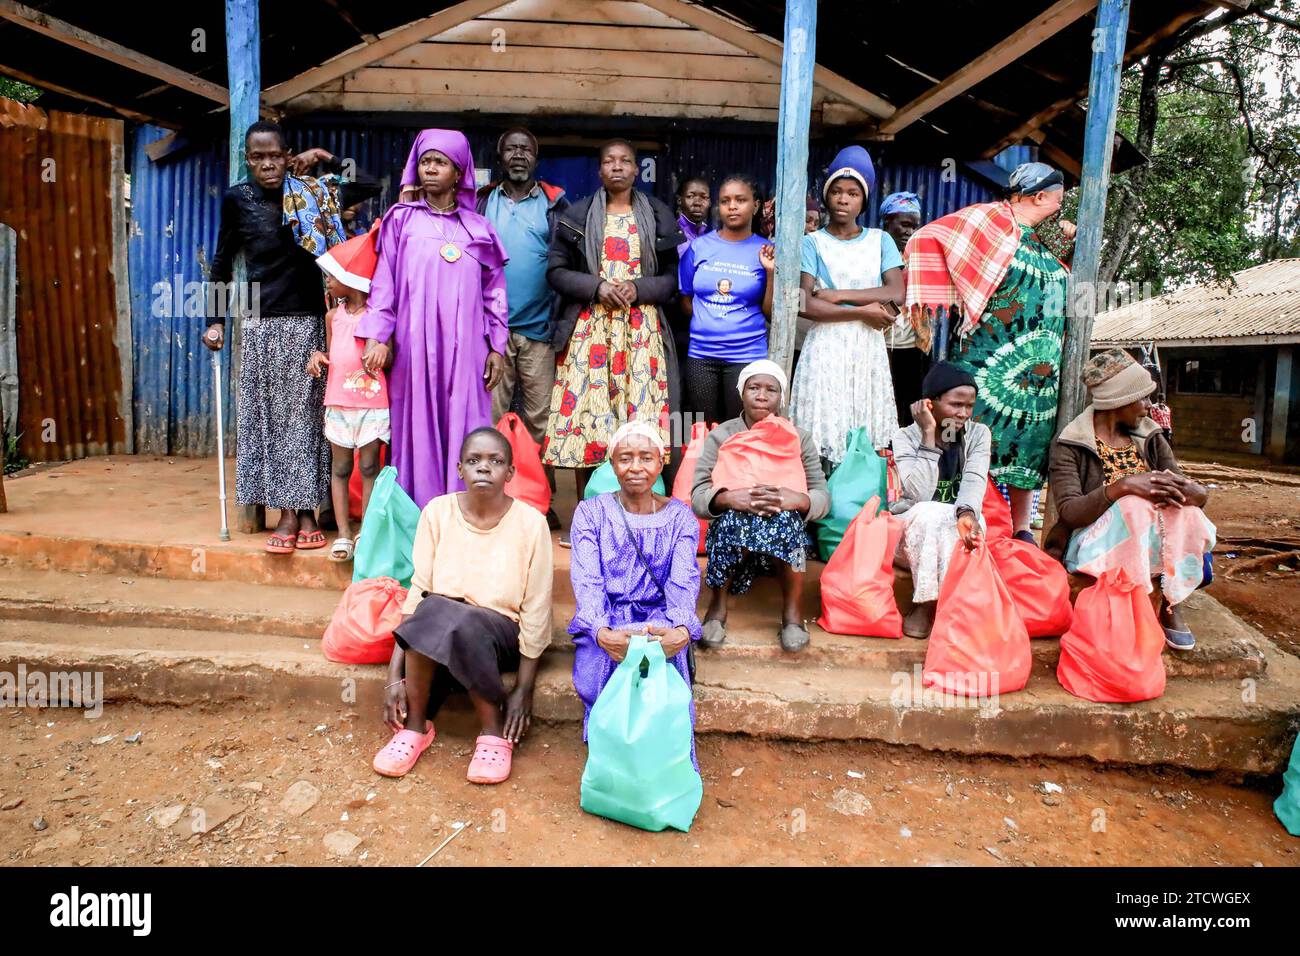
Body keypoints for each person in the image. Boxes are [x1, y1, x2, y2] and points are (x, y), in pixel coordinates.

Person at [904, 161, 1077, 543]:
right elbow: (927, 238)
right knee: (975, 439)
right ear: (1039, 196)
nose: (1061, 205)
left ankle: (1019, 528)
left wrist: (1070, 241)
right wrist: (938, 300)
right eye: (1059, 197)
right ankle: (965, 515)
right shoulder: (989, 220)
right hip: (987, 362)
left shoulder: (1045, 239)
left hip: (1038, 371)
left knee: (1028, 447)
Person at [374, 428, 552, 782]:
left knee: (459, 617)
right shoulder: (437, 513)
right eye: (474, 461)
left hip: (499, 635)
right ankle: (414, 728)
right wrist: (394, 676)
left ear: (511, 474)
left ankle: (492, 730)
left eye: (495, 461)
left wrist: (523, 688)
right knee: (435, 607)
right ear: (459, 469)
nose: (484, 468)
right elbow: (418, 592)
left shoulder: (531, 524)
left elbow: (536, 609)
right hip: (435, 631)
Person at [204, 121, 345, 554]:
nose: (267, 165)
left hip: (309, 322)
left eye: (275, 156)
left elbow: (362, 186)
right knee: (273, 422)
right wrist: (216, 321)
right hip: (261, 321)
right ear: (247, 159)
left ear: (288, 156)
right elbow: (223, 261)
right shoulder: (238, 199)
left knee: (306, 420)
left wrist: (324, 157)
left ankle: (304, 510)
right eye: (257, 157)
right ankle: (287, 512)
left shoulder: (312, 193)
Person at [356, 129, 509, 509]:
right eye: (425, 162)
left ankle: (466, 512)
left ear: (458, 172)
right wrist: (378, 336)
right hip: (415, 349)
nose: (430, 170)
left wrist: (497, 347)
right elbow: (384, 284)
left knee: (466, 423)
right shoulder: (400, 221)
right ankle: (418, 516)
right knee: (416, 425)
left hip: (468, 348)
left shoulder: (479, 229)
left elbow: (495, 293)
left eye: (440, 163)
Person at [1045, 349, 1215, 650]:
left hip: (1156, 541)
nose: (1149, 407)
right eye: (1143, 398)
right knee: (1133, 504)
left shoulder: (1150, 436)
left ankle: (1170, 603)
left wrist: (1195, 494)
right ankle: (1134, 603)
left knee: (1182, 509)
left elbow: (1183, 484)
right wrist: (1122, 487)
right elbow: (1070, 512)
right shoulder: (1070, 444)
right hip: (1092, 546)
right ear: (1117, 401)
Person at [544, 139, 684, 502]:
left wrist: (638, 289)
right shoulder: (576, 215)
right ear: (600, 170)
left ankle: (639, 511)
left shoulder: (656, 214)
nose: (617, 167)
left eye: (625, 161)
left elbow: (672, 279)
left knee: (641, 417)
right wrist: (597, 286)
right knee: (589, 420)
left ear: (637, 170)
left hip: (641, 333)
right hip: (591, 331)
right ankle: (588, 514)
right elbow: (556, 272)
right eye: (609, 161)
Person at [568, 421, 702, 762]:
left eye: (646, 457)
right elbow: (588, 580)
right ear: (612, 465)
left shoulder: (680, 517)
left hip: (662, 621)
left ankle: (661, 769)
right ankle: (611, 764)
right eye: (625, 458)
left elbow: (683, 580)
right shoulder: (590, 513)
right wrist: (600, 631)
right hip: (608, 618)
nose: (636, 467)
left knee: (662, 677)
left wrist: (681, 630)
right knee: (608, 667)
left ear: (661, 462)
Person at [691, 360, 830, 653]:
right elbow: (698, 495)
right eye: (754, 387)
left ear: (782, 398)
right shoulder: (722, 435)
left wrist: (800, 500)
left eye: (771, 390)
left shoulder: (799, 437)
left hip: (780, 540)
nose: (762, 395)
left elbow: (822, 496)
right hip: (735, 539)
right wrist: (728, 498)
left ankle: (792, 614)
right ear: (742, 392)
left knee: (791, 525)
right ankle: (717, 607)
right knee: (730, 521)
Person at [477, 127, 570, 530]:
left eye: (526, 149)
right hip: (489, 334)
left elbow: (567, 260)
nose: (518, 155)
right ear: (500, 157)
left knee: (540, 421)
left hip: (539, 331)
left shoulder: (555, 203)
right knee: (491, 418)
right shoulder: (482, 200)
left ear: (536, 157)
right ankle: (489, 501)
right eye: (511, 148)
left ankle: (538, 501)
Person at [789, 146, 904, 467]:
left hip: (866, 349)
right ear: (826, 196)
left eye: (853, 193)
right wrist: (863, 310)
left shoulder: (880, 240)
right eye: (837, 191)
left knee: (860, 428)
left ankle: (858, 506)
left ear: (863, 200)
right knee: (824, 426)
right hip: (826, 347)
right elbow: (803, 302)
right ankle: (821, 501)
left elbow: (897, 291)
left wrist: (838, 295)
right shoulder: (812, 242)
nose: (843, 199)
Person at [888, 363, 991, 638]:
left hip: (953, 531)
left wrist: (967, 513)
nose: (963, 414)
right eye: (956, 404)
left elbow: (974, 481)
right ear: (929, 404)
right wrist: (927, 436)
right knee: (931, 511)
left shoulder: (978, 435)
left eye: (969, 406)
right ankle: (924, 604)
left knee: (974, 519)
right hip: (910, 535)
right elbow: (918, 493)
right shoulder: (905, 437)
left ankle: (948, 610)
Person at [307, 227, 389, 561]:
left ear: (353, 279)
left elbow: (391, 355)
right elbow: (331, 352)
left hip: (372, 404)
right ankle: (343, 535)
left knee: (369, 467)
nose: (327, 281)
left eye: (332, 276)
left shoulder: (379, 317)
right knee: (340, 469)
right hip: (339, 402)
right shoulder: (332, 316)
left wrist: (383, 348)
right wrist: (317, 357)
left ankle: (365, 534)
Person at [679, 174, 775, 426]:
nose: (732, 206)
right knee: (701, 429)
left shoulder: (765, 250)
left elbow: (771, 314)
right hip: (701, 354)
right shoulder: (699, 247)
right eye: (725, 201)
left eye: (740, 200)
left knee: (740, 430)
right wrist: (710, 323)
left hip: (746, 355)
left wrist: (771, 272)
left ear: (755, 206)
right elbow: (686, 298)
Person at [879, 191, 928, 425]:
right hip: (880, 340)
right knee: (882, 398)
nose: (910, 231)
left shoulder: (919, 257)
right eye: (905, 225)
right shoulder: (872, 254)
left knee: (909, 403)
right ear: (888, 222)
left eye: (914, 226)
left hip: (912, 342)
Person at [676, 176, 712, 257]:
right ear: (679, 200)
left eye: (704, 197)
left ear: (709, 202)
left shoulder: (710, 239)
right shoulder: (673, 236)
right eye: (690, 196)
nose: (697, 203)